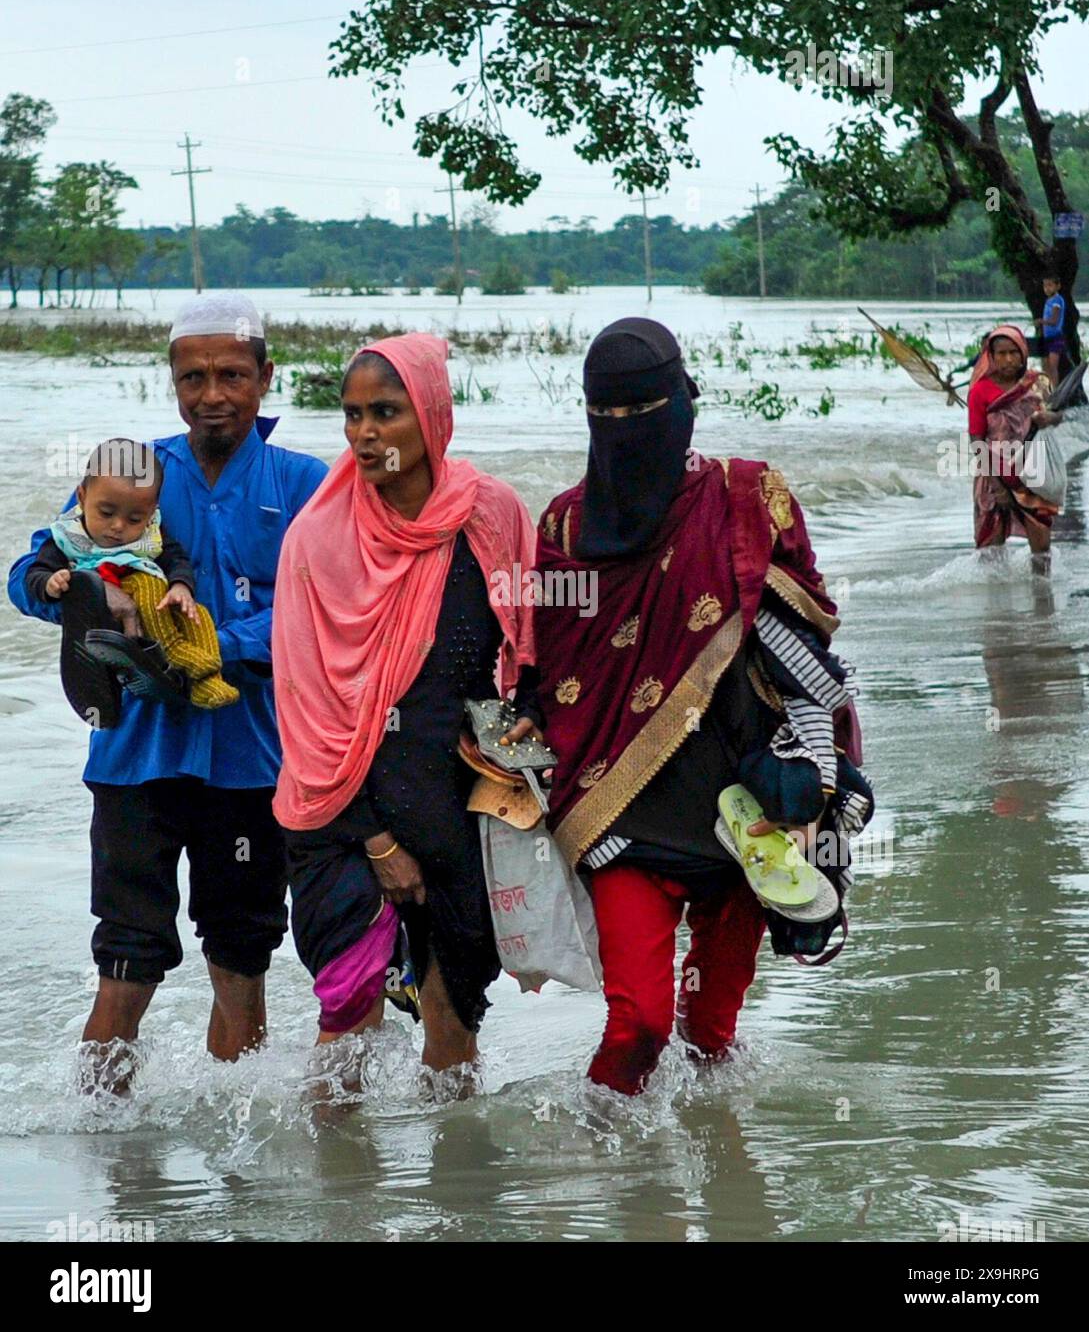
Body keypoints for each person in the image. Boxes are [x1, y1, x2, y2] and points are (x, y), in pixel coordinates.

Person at [534, 319, 870, 1096]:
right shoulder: (560, 526)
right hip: (620, 822)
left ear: (683, 402)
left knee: (710, 1038)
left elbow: (809, 666)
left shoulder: (747, 498)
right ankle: (607, 1179)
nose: (624, 433)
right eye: (605, 416)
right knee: (637, 1029)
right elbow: (549, 679)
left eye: (641, 412)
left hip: (745, 820)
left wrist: (819, 782)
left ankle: (717, 1179)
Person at [7, 292, 327, 1093]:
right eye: (193, 377)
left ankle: (235, 1150)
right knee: (127, 956)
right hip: (132, 762)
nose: (211, 393)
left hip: (253, 763)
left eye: (230, 374)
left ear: (265, 377)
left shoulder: (308, 485)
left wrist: (221, 643)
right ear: (173, 382)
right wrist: (72, 593)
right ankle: (103, 1148)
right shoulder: (128, 474)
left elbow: (330, 608)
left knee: (240, 955)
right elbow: (25, 575)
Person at [271, 332, 541, 1088]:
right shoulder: (316, 541)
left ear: (431, 416)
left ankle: (460, 1193)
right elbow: (305, 710)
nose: (364, 433)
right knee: (348, 1024)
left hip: (455, 803)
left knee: (453, 1025)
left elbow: (530, 653)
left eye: (384, 412)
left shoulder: (489, 516)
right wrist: (378, 840)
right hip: (338, 815)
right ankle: (343, 1201)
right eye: (352, 415)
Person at [25, 437, 238, 712]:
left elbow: (176, 559)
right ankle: (173, 654)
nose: (117, 526)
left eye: (135, 519)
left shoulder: (151, 536)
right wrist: (50, 584)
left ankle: (208, 679)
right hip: (114, 611)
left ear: (152, 514)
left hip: (162, 606)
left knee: (198, 616)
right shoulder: (68, 536)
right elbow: (34, 574)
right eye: (106, 512)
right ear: (82, 497)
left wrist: (180, 587)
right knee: (147, 585)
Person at [967, 325, 1063, 566]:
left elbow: (1057, 415)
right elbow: (976, 439)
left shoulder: (1037, 383)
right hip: (993, 476)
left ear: (1022, 353)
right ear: (991, 355)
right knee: (991, 550)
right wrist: (997, 487)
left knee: (1041, 547)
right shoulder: (980, 391)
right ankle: (997, 601)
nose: (1008, 359)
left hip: (1032, 473)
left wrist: (1047, 419)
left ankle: (1042, 597)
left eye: (1013, 352)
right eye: (1001, 353)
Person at [1036, 275, 1067, 388]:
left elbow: (1054, 320)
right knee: (1046, 366)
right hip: (1047, 337)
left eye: (1050, 285)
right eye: (1045, 286)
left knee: (1053, 367)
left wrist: (1041, 321)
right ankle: (1048, 389)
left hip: (1055, 337)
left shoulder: (1057, 300)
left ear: (1057, 286)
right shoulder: (1048, 300)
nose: (1047, 288)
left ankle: (1055, 389)